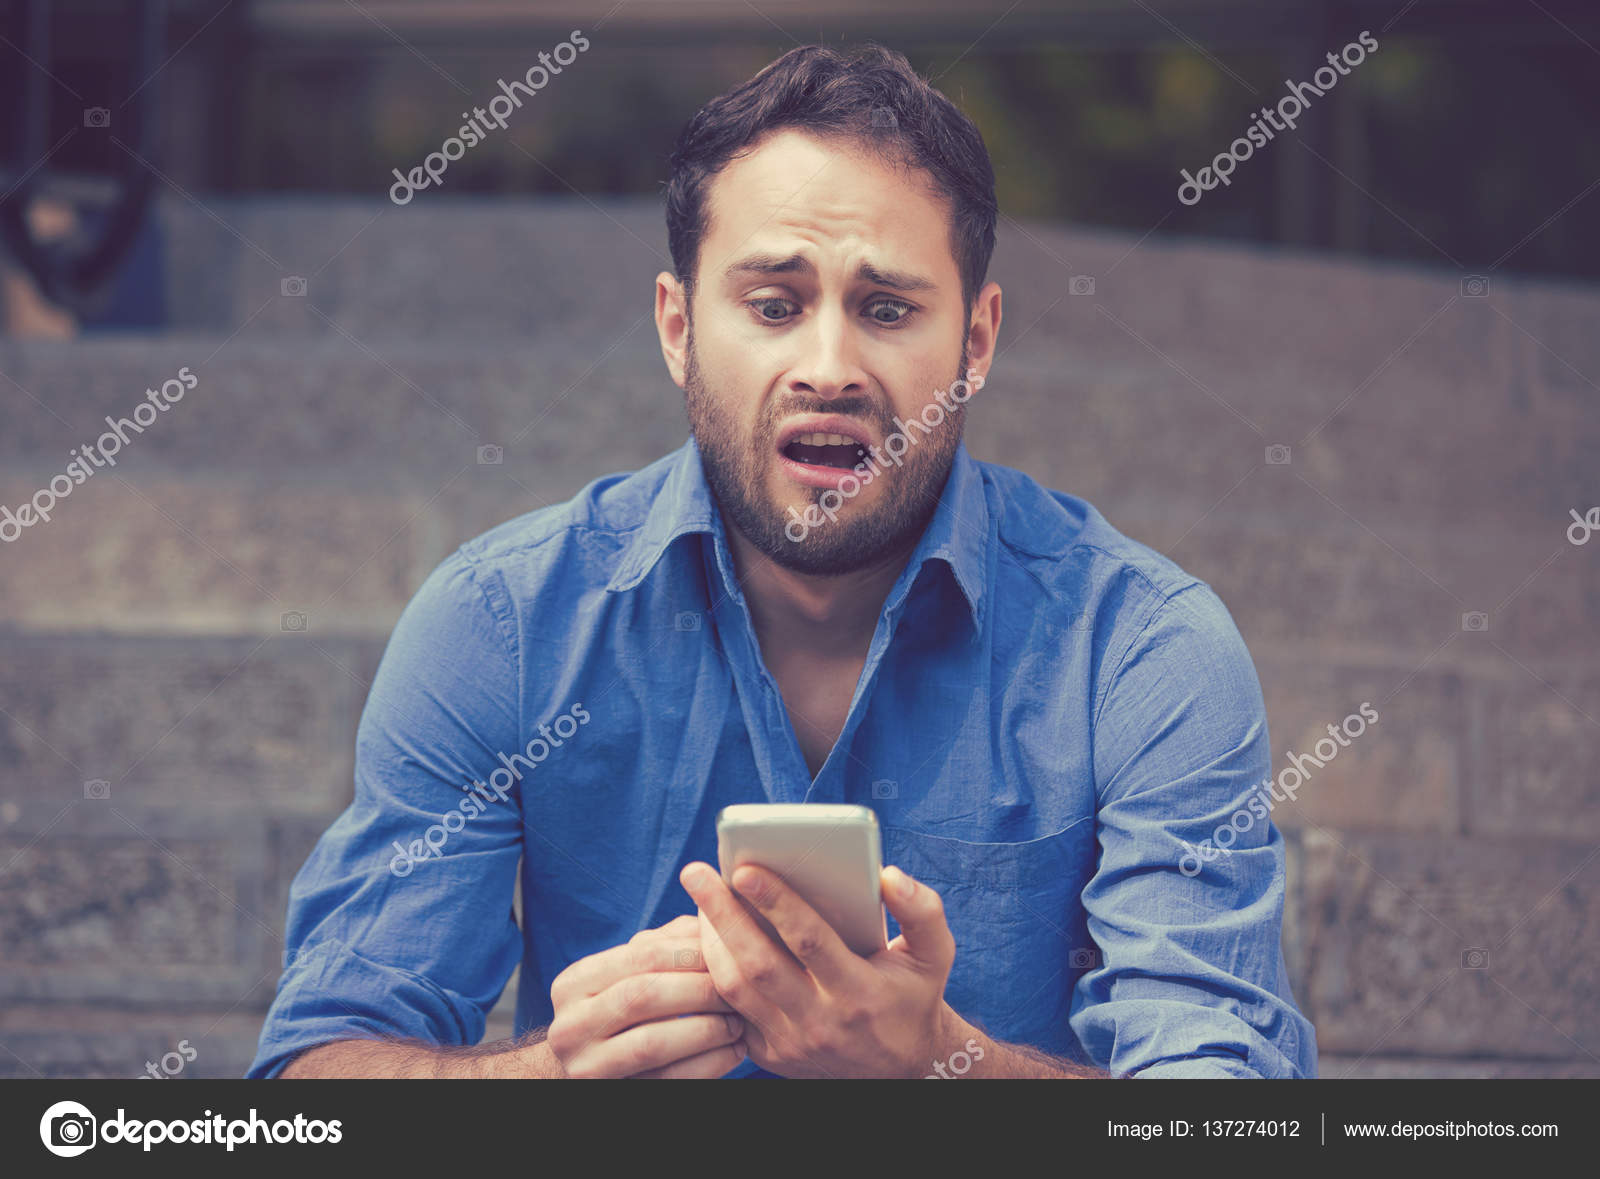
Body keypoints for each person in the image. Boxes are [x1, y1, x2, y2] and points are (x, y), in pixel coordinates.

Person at [249, 43, 1316, 1080]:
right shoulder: (500, 623)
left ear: (977, 344)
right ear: (677, 328)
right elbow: (316, 1069)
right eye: (773, 304)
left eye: (886, 308)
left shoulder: (1144, 648)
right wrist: (540, 1082)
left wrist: (941, 1064)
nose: (828, 367)